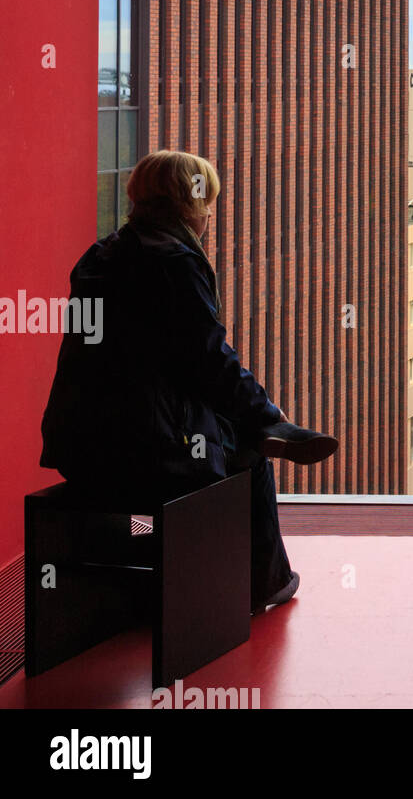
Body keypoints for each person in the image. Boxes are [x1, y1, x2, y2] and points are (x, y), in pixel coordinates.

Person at [40, 150, 338, 612]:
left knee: (223, 424)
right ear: (184, 205)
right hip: (146, 457)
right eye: (205, 203)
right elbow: (209, 361)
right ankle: (267, 583)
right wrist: (263, 409)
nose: (209, 214)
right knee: (250, 454)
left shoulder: (98, 256)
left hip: (77, 449)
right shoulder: (175, 263)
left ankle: (265, 432)